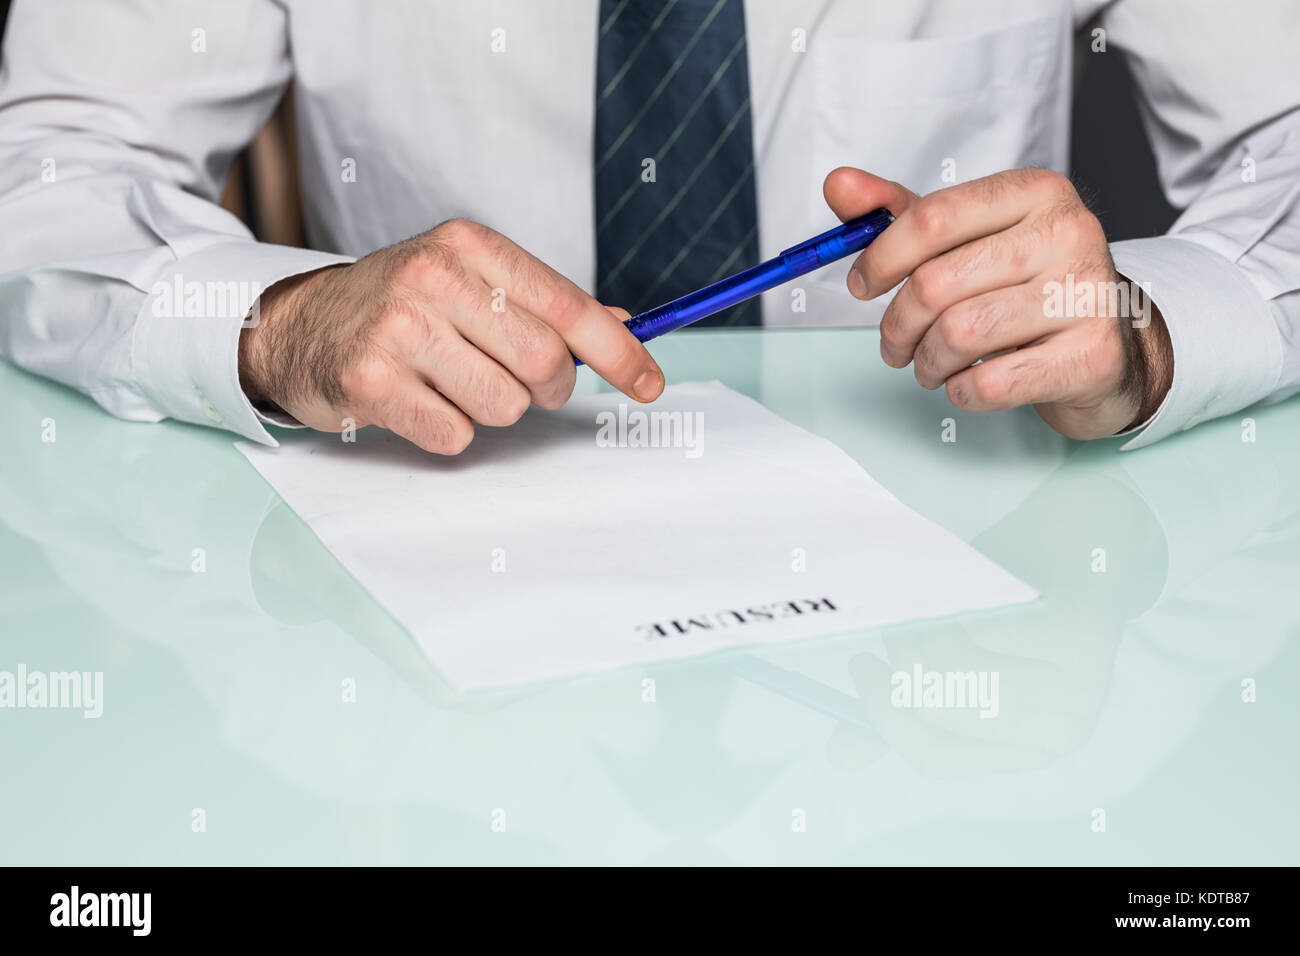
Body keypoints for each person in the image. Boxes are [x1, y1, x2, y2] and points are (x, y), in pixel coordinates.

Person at [0, 0, 1295, 455]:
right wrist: (278, 323)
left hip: (981, 619)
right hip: (433, 550)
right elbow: (46, 166)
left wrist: (1148, 329)